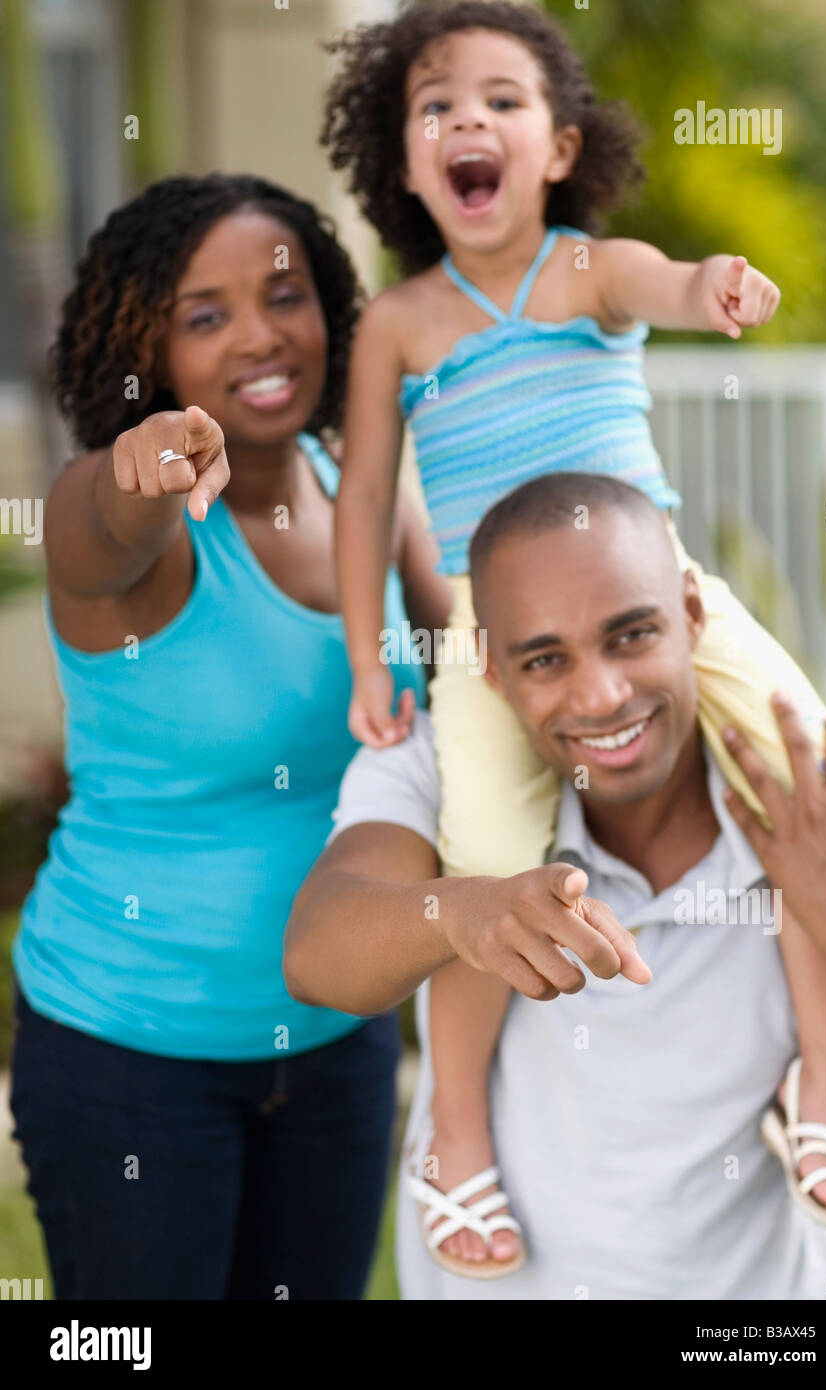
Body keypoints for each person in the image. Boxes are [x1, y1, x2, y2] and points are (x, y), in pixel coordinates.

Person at [321, 0, 826, 1271]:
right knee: (482, 869)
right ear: (405, 164)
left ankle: (824, 1093)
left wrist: (710, 289)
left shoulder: (583, 270)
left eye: (503, 101)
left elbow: (664, 282)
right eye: (436, 105)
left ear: (557, 147)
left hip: (658, 591)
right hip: (489, 642)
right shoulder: (400, 323)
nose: (470, 122)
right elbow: (362, 497)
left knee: (795, 779)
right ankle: (458, 1135)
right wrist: (366, 653)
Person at [9, 173, 448, 1300]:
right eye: (205, 314)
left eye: (284, 294)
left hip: (336, 1040)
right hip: (128, 1051)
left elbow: (483, 669)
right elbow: (95, 527)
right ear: (144, 345)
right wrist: (147, 468)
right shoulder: (120, 529)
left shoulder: (369, 485)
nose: (260, 334)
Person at [285, 471, 826, 1300]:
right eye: (546, 659)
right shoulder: (443, 777)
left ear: (693, 618)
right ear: (491, 672)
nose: (601, 696)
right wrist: (461, 911)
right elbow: (316, 953)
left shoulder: (821, 808)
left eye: (632, 636)